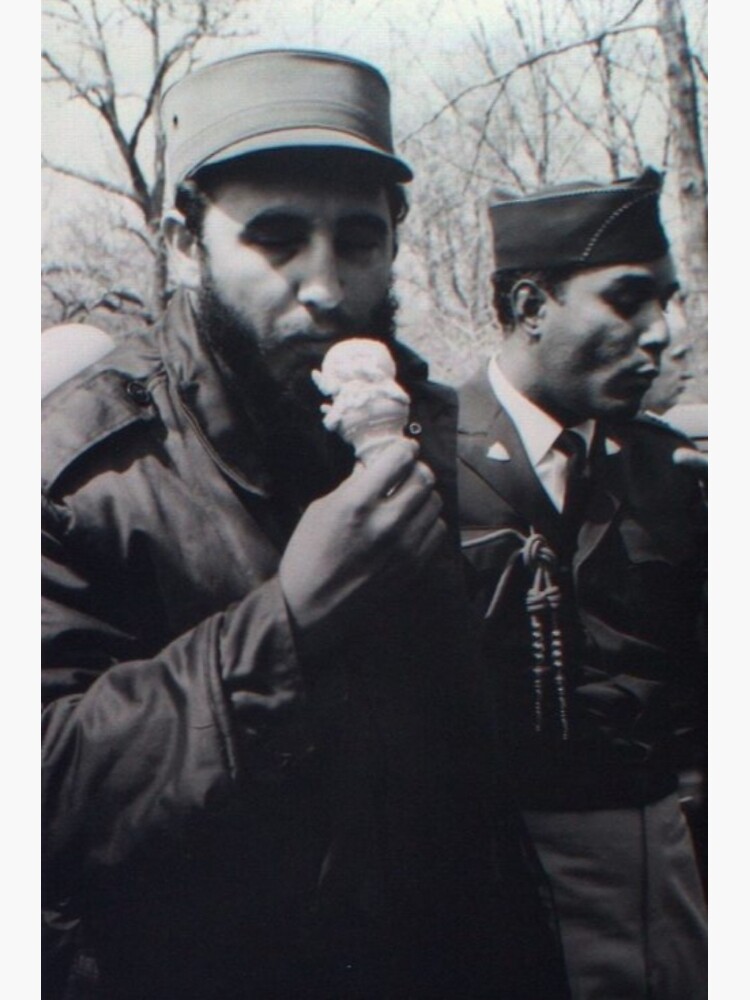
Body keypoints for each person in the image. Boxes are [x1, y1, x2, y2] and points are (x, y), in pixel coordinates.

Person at [42, 49, 568, 1000]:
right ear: (184, 238)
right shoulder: (85, 467)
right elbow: (47, 800)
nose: (325, 286)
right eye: (277, 239)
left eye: (358, 240)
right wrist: (288, 624)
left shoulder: (446, 437)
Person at [456, 169, 707, 999]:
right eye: (629, 300)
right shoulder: (424, 460)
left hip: (665, 896)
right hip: (496, 901)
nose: (663, 334)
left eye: (666, 303)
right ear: (531, 306)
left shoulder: (669, 472)